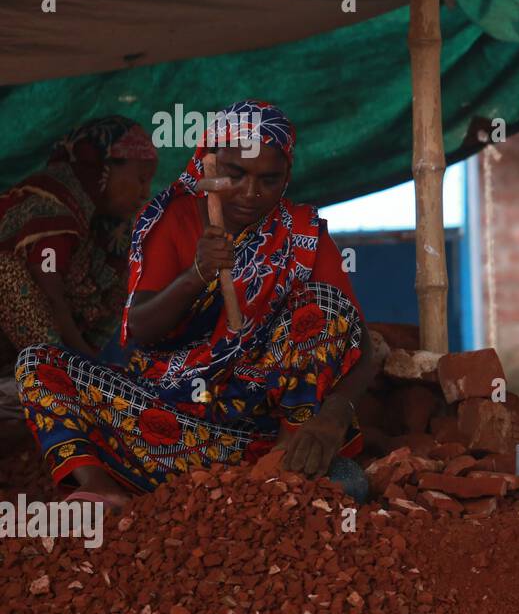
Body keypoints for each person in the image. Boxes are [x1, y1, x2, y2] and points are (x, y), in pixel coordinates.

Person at [15, 101, 379, 508]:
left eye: (269, 179)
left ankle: (283, 471)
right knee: (38, 364)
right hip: (166, 422)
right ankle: (104, 489)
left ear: (286, 177)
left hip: (261, 431)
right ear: (207, 163)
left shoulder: (303, 233)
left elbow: (366, 348)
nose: (250, 192)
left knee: (323, 304)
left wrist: (333, 417)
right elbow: (139, 328)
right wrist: (196, 274)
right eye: (234, 174)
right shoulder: (171, 219)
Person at [0, 117, 157, 417]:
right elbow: (51, 296)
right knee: (5, 271)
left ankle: (69, 375)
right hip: (30, 336)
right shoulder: (50, 207)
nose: (145, 192)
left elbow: (110, 305)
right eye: (141, 178)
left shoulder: (107, 233)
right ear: (105, 168)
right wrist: (87, 366)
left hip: (37, 351)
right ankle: (62, 373)